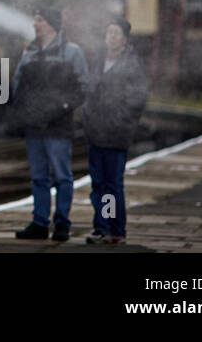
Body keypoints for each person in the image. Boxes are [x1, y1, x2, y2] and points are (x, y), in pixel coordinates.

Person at [9, 7, 88, 242]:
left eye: (39, 20)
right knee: (38, 177)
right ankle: (40, 222)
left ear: (52, 24)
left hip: (58, 125)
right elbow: (17, 83)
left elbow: (83, 86)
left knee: (62, 176)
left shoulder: (72, 52)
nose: (35, 24)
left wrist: (63, 106)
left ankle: (62, 222)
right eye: (35, 20)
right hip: (34, 125)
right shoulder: (30, 52)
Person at [81, 17, 148, 245]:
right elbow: (88, 92)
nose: (111, 36)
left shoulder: (132, 64)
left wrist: (119, 122)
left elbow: (137, 100)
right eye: (108, 32)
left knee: (112, 185)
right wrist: (87, 117)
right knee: (97, 184)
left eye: (116, 33)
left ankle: (114, 229)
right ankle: (101, 226)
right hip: (95, 132)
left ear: (125, 38)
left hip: (116, 134)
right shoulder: (98, 60)